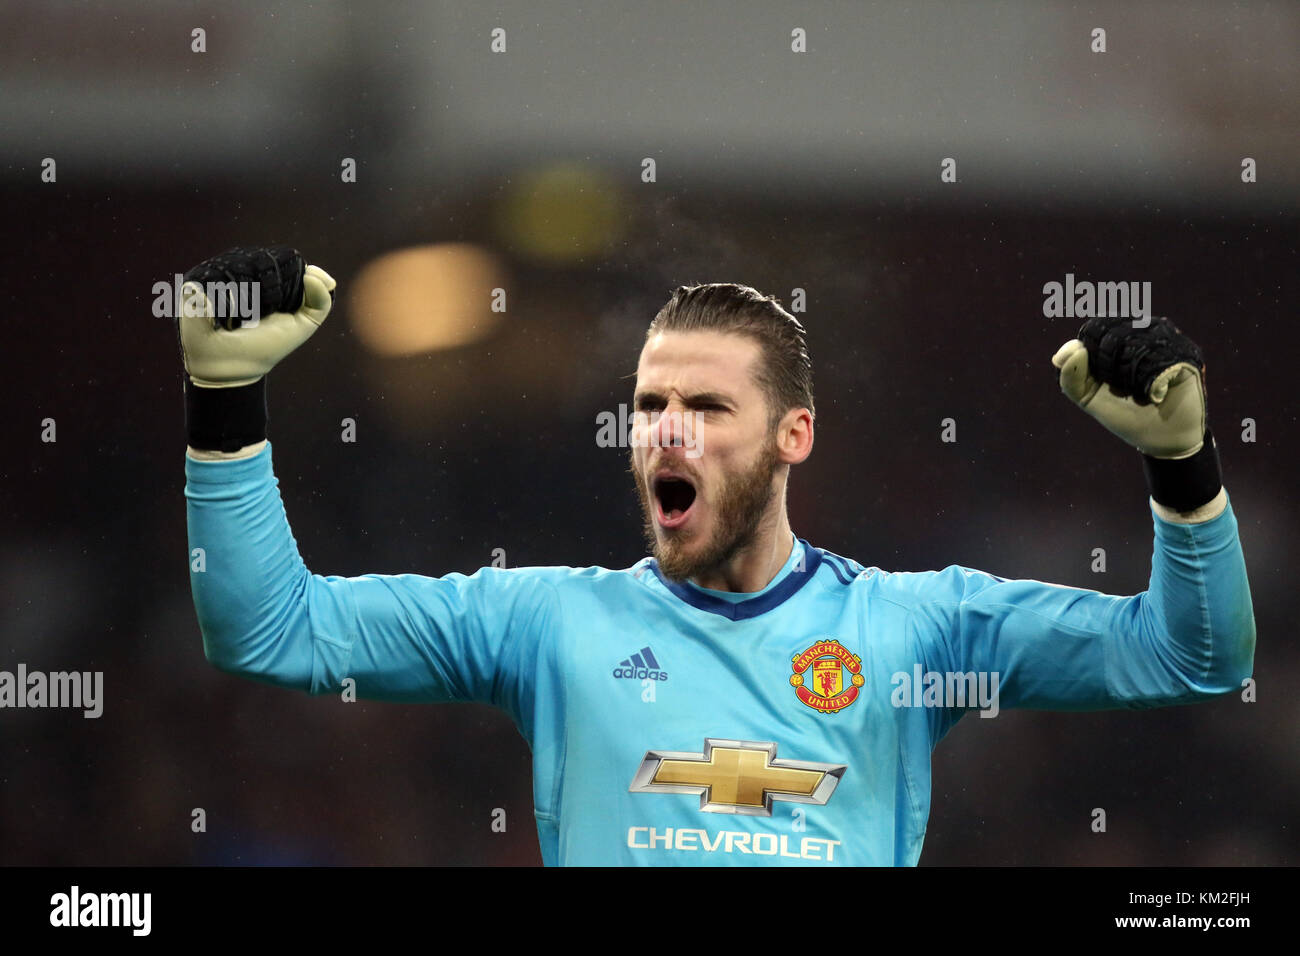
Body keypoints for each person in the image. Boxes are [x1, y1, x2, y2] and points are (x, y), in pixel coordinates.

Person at [178, 246, 1255, 866]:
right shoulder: (549, 623)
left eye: (704, 404)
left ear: (793, 436)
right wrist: (222, 404)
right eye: (649, 404)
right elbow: (270, 629)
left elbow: (1191, 657)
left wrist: (1181, 466)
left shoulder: (917, 627)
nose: (666, 430)